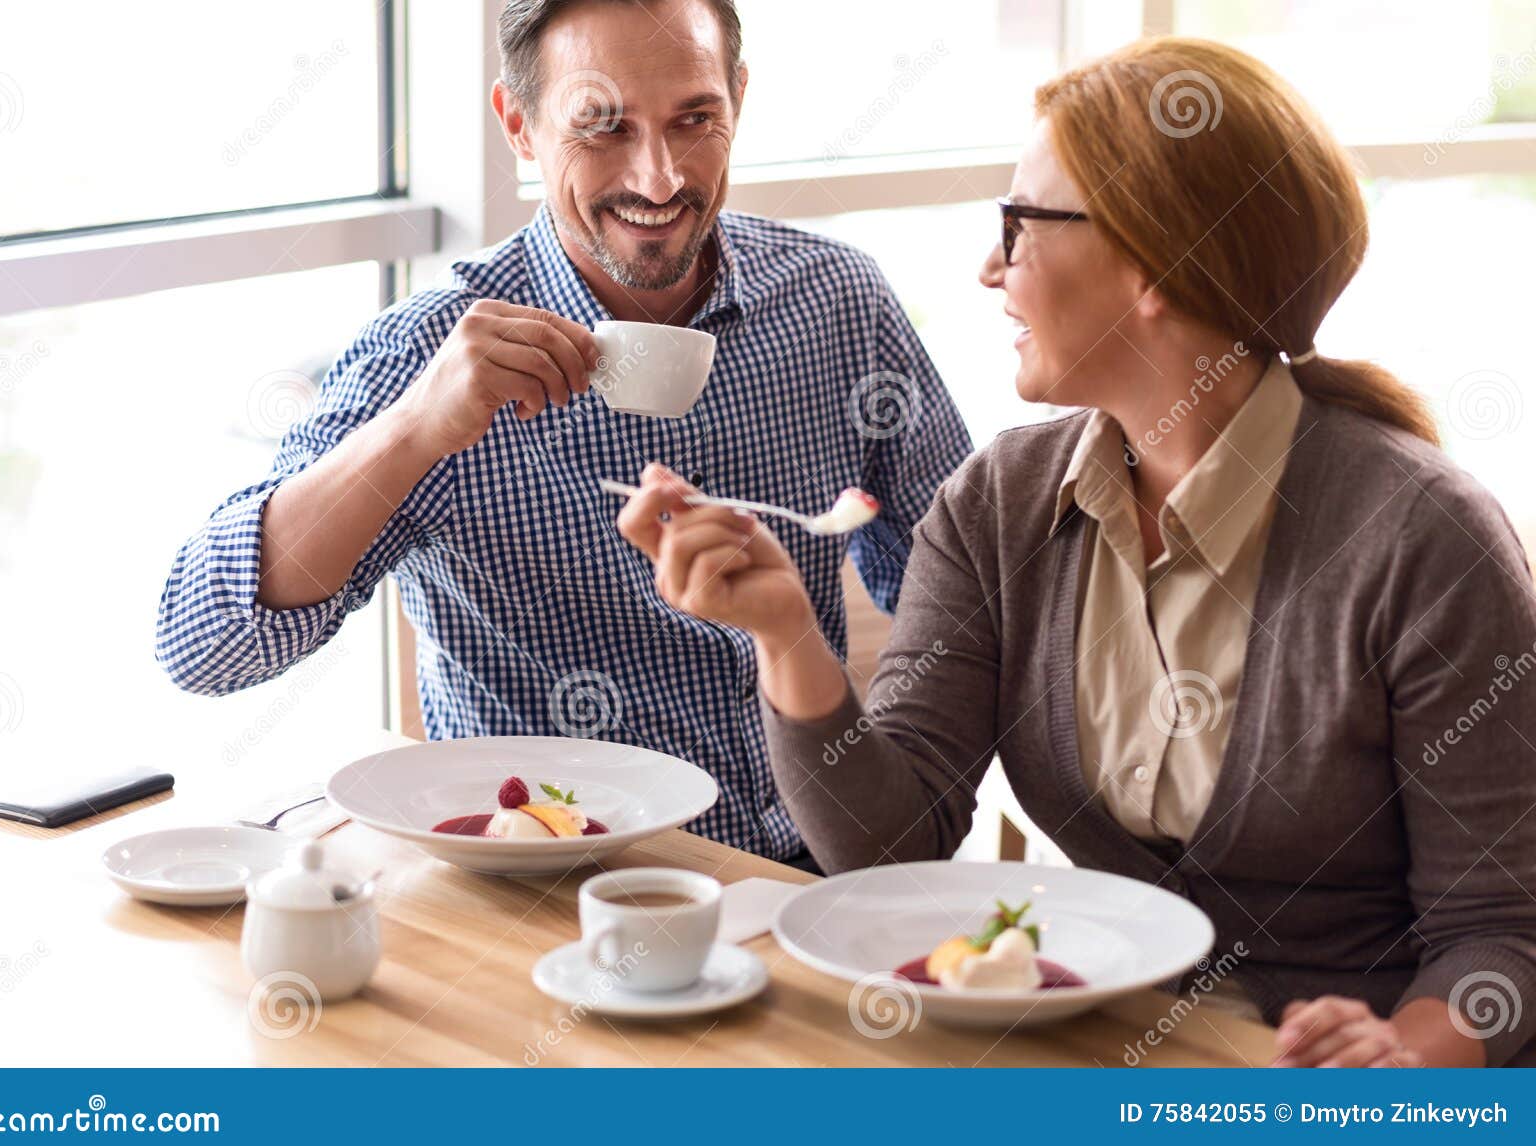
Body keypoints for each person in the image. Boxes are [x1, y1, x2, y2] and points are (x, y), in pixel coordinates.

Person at [617, 36, 1536, 1066]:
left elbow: (1501, 936)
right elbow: (893, 846)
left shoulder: (1425, 541)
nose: (989, 268)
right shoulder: (1000, 504)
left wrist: (1401, 1052)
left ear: (1154, 263)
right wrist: (785, 636)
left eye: (1020, 227)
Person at [153, 0, 970, 870]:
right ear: (519, 124)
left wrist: (891, 783)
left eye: (694, 120)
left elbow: (969, 600)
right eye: (602, 127)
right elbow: (204, 647)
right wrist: (412, 432)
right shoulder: (429, 356)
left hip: (808, 882)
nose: (659, 181)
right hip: (549, 899)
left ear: (738, 98)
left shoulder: (837, 301)